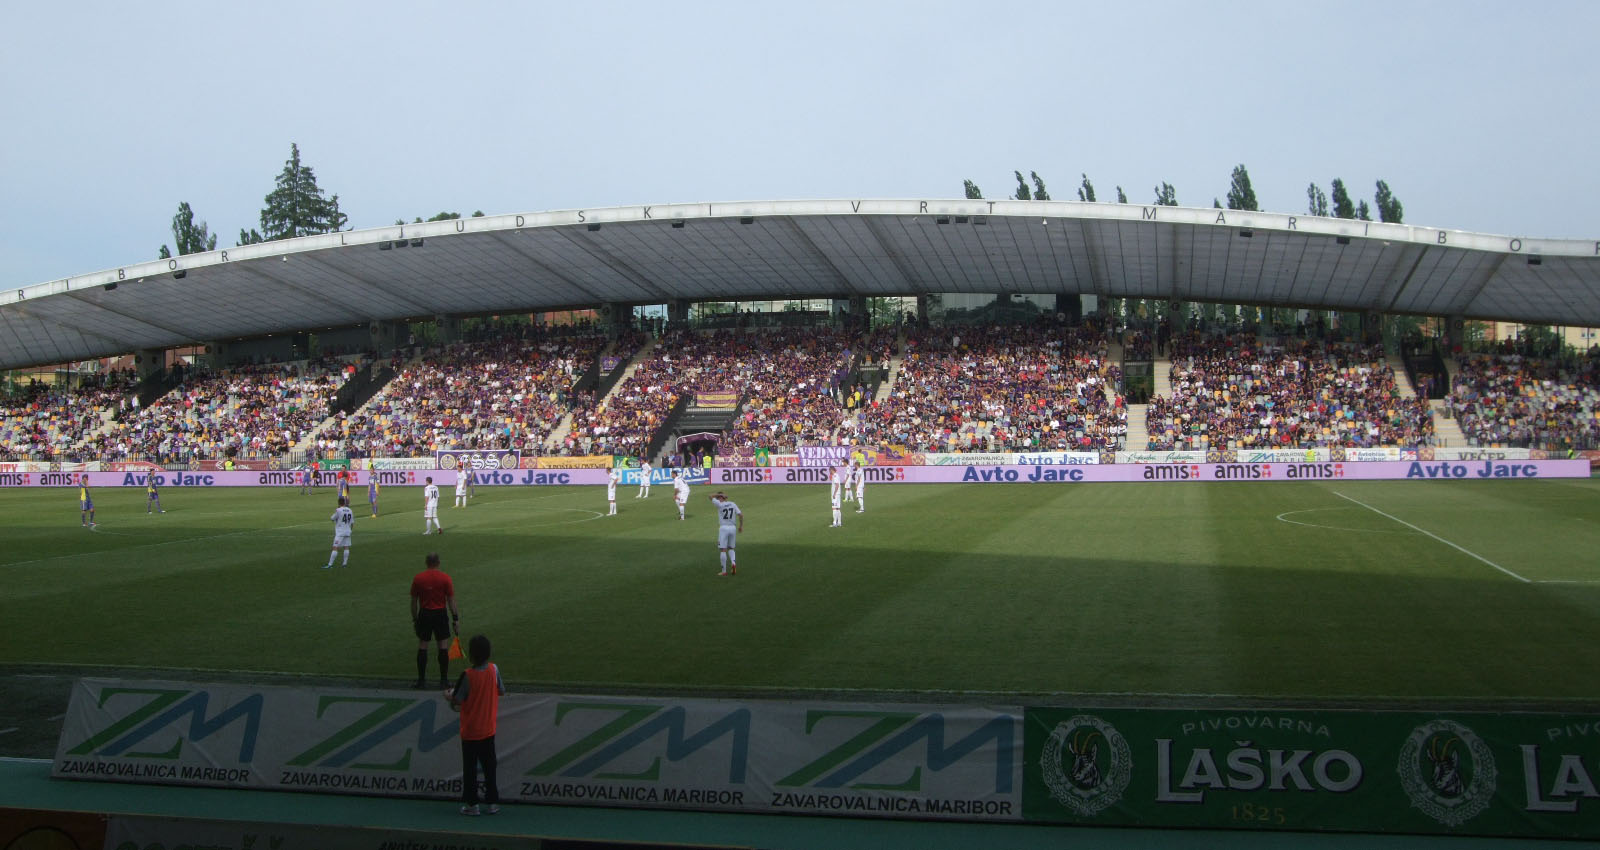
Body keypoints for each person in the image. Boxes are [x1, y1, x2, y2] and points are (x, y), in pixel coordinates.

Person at [449, 633, 506, 817]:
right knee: (490, 767)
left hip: (471, 731)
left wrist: (447, 695)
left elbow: (456, 700)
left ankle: (472, 804)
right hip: (488, 729)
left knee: (470, 769)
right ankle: (492, 802)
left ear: (472, 655)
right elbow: (501, 691)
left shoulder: (467, 675)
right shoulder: (494, 670)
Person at [410, 552, 459, 689]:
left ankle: (421, 681)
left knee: (423, 645)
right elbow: (451, 601)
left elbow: (414, 602)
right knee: (442, 646)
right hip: (440, 614)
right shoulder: (445, 578)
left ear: (426, 563)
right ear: (438, 563)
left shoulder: (418, 578)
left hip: (424, 614)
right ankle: (444, 681)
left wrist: (415, 619)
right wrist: (455, 618)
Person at [709, 491, 742, 576]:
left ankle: (724, 571)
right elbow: (740, 515)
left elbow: (710, 496)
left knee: (723, 549)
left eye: (718, 498)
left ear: (720, 498)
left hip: (724, 528)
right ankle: (733, 563)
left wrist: (718, 495)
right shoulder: (733, 504)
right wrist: (741, 526)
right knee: (731, 548)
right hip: (733, 528)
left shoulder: (719, 504)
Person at [325, 496, 354, 569]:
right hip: (348, 531)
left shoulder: (338, 510)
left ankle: (330, 565)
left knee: (335, 547)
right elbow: (352, 523)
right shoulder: (350, 510)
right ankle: (344, 564)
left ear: (338, 503)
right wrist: (350, 530)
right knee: (346, 547)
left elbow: (332, 518)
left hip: (340, 532)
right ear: (344, 502)